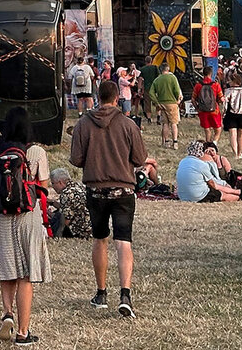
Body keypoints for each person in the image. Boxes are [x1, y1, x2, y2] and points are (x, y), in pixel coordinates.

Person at [70, 79, 147, 318]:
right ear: (116, 98)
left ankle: (101, 292)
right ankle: (125, 293)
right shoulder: (128, 124)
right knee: (123, 241)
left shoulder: (84, 124)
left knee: (100, 238)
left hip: (96, 190)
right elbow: (140, 158)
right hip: (123, 189)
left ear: (97, 97)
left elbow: (76, 159)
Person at [0, 107, 51, 346]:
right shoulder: (36, 151)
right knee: (26, 275)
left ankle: (7, 312)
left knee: (7, 269)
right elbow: (43, 184)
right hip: (27, 215)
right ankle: (22, 331)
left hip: (0, 214)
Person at [175, 141, 242, 202]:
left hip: (183, 197)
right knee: (222, 195)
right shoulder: (201, 165)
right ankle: (241, 196)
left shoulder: (183, 161)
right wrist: (237, 192)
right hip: (198, 196)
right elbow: (214, 185)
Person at [147, 61, 183, 149]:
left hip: (162, 103)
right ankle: (175, 142)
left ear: (160, 70)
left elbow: (151, 93)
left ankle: (166, 142)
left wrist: (157, 102)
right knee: (174, 123)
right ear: (168, 69)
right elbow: (177, 90)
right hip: (172, 103)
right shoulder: (172, 78)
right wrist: (178, 99)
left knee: (165, 124)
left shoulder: (157, 80)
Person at [48, 168, 91, 239]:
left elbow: (66, 220)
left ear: (60, 182)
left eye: (53, 183)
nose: (52, 186)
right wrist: (52, 203)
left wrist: (57, 234)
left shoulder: (66, 193)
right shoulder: (79, 186)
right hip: (91, 228)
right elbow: (69, 207)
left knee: (57, 216)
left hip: (80, 232)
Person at [192, 66, 225, 143]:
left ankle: (208, 144)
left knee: (207, 129)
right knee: (218, 129)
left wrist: (197, 108)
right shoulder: (215, 85)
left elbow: (193, 99)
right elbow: (221, 98)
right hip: (214, 110)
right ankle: (214, 142)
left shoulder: (198, 85)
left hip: (202, 111)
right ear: (211, 74)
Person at [222, 73, 242, 159]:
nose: (228, 82)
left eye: (230, 80)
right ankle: (239, 153)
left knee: (232, 134)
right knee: (241, 134)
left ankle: (235, 153)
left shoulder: (228, 91)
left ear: (234, 81)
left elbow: (225, 104)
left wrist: (223, 113)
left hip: (231, 114)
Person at [138, 56, 159, 122]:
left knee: (147, 103)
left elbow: (140, 80)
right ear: (151, 61)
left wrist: (139, 89)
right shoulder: (155, 68)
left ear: (145, 61)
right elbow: (158, 77)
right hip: (155, 87)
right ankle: (158, 116)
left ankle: (149, 118)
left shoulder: (142, 69)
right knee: (157, 102)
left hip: (147, 88)